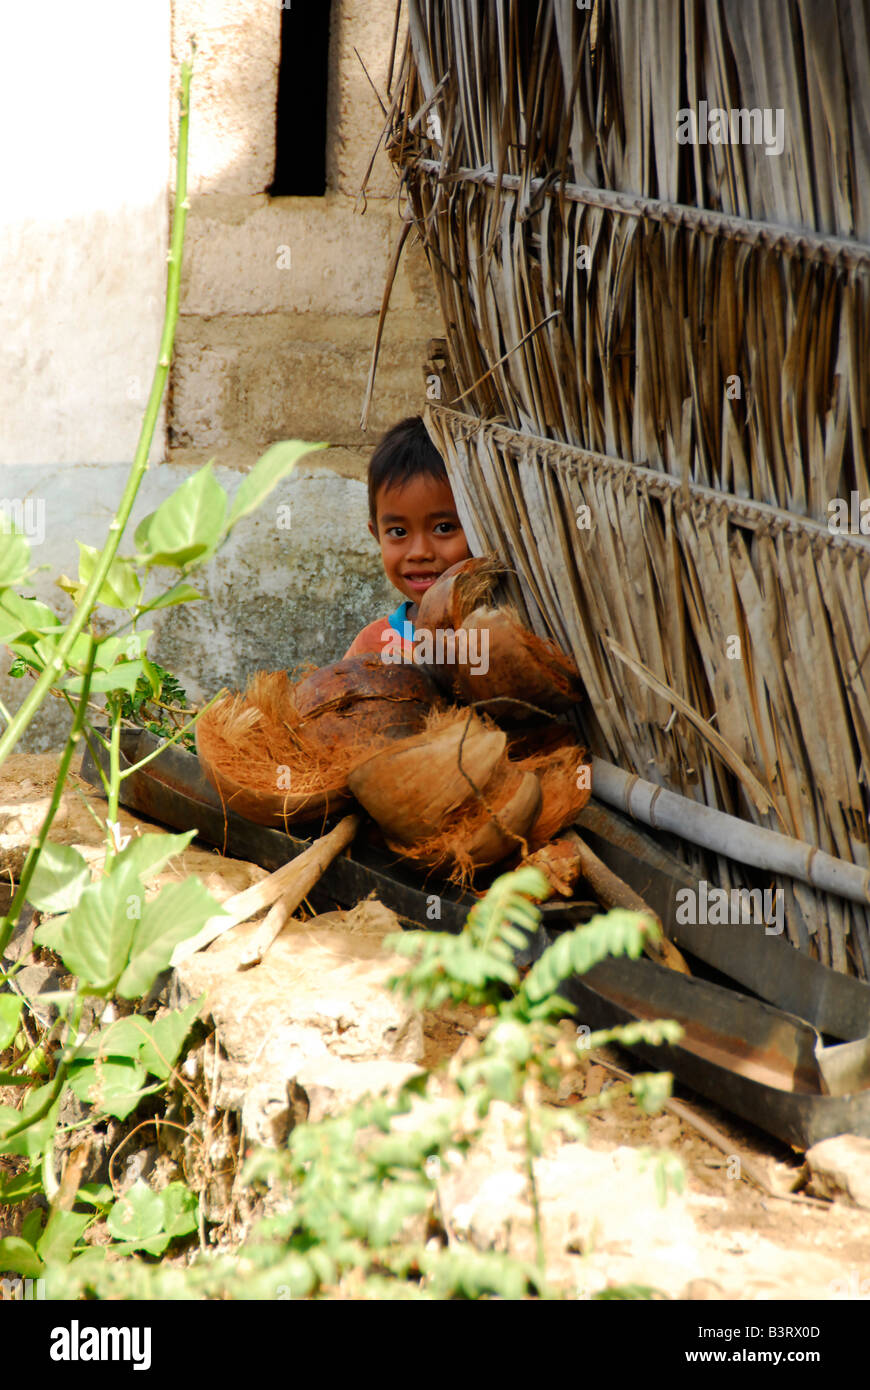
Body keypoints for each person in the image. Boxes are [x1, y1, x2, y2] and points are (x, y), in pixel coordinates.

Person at [344, 416, 471, 659]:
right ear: (377, 535)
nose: (420, 552)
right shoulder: (372, 646)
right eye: (399, 532)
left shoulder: (499, 638)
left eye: (444, 527)